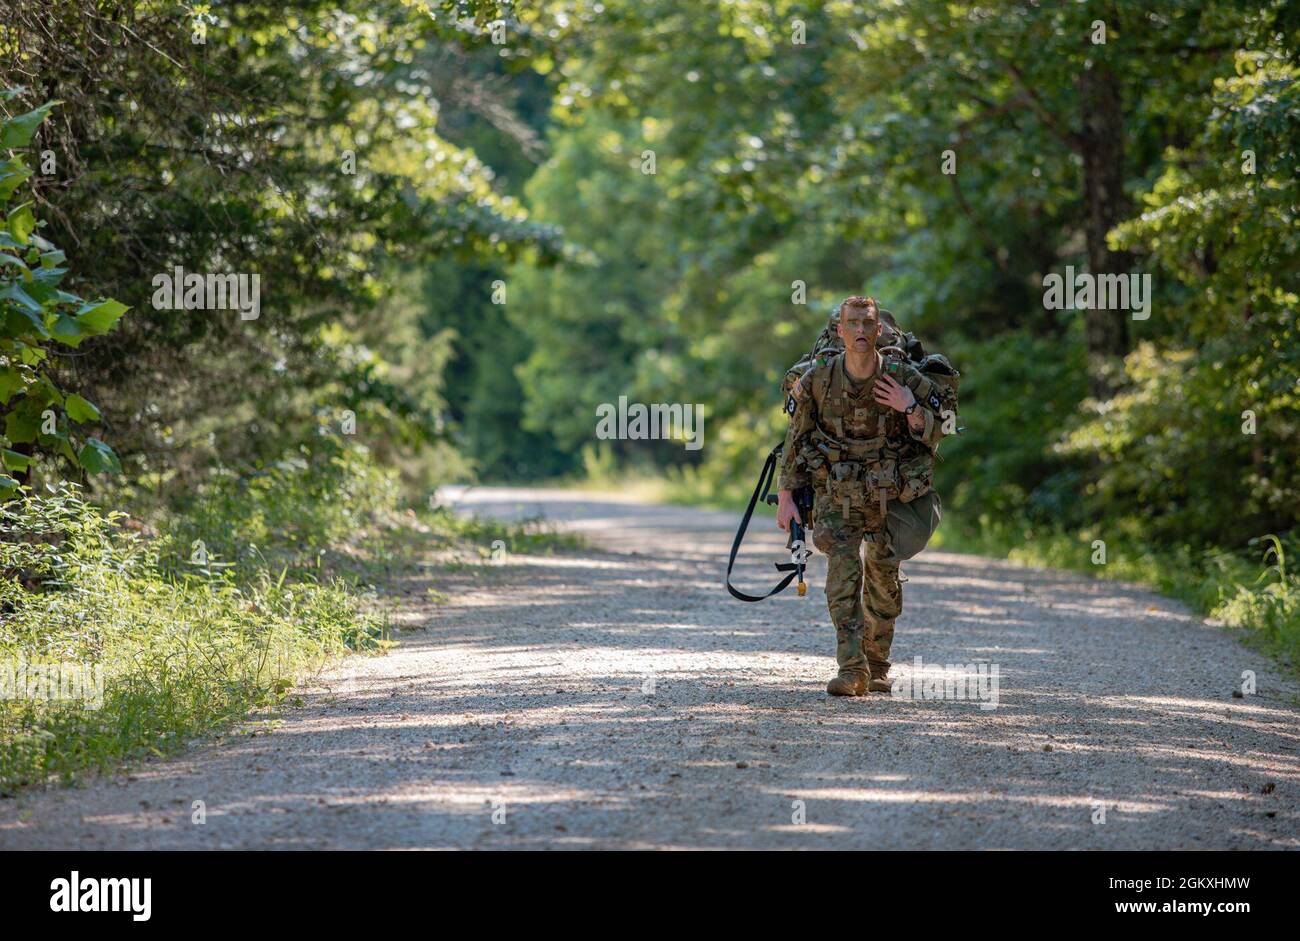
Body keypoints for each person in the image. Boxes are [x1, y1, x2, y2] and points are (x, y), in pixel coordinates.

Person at [775, 295, 952, 696]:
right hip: (837, 493)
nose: (859, 330)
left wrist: (910, 408)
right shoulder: (819, 377)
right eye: (851, 324)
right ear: (840, 331)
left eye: (866, 323)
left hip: (890, 494)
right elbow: (796, 436)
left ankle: (876, 663)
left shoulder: (901, 376)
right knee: (842, 576)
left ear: (877, 330)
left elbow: (941, 429)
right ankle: (851, 668)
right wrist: (786, 494)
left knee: (882, 579)